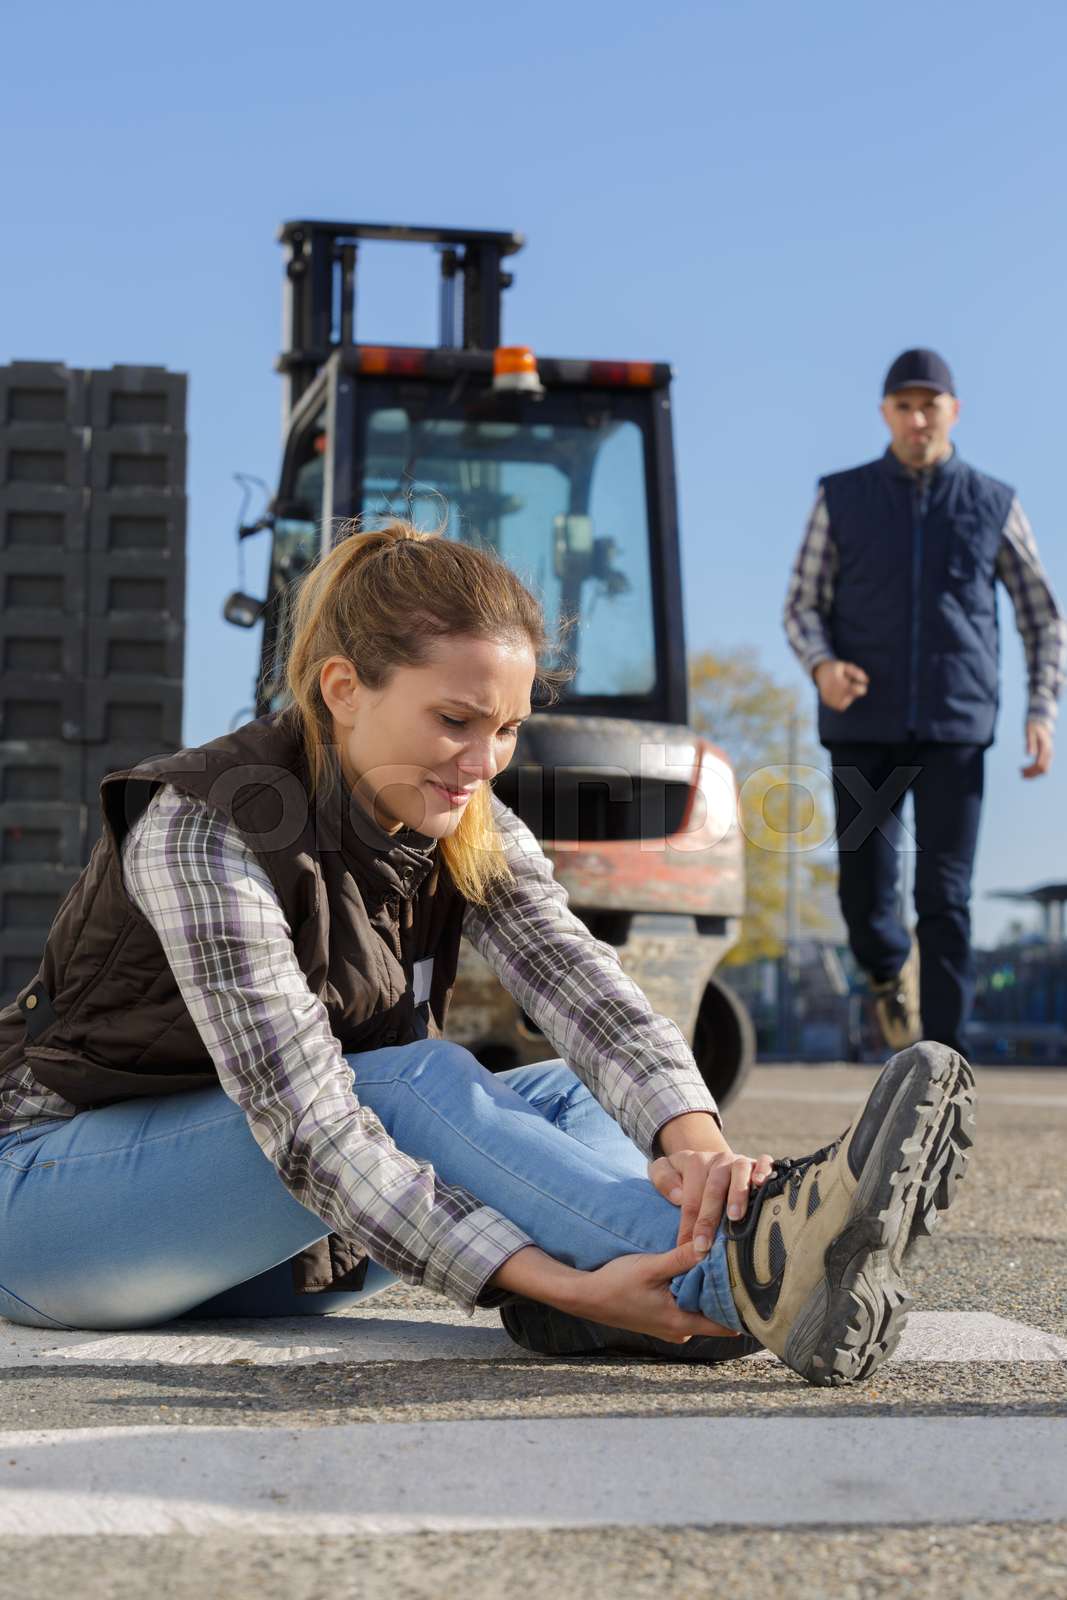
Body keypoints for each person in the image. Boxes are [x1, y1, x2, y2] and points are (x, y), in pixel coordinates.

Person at [0, 523, 974, 1387]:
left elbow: (581, 985)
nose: (482, 761)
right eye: (454, 720)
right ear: (343, 689)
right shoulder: (204, 824)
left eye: (505, 729)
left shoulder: (464, 818)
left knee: (570, 1095)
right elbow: (308, 1122)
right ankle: (736, 1274)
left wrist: (703, 1155)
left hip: (270, 1249)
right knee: (406, 1081)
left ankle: (666, 1270)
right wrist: (546, 1274)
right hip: (53, 1218)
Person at [784, 348, 1066, 1056]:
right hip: (862, 726)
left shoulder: (992, 502)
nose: (917, 420)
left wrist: (1041, 709)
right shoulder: (840, 497)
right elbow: (801, 604)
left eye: (929, 406)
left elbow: (1041, 615)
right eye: (904, 407)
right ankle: (887, 975)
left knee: (944, 896)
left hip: (953, 729)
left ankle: (945, 1056)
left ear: (953, 412)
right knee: (865, 896)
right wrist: (821, 666)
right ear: (885, 413)